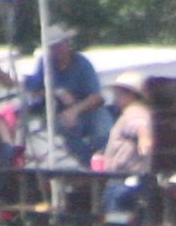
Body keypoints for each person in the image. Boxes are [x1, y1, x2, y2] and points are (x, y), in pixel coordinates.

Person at [24, 23, 113, 166]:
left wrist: (74, 110)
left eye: (59, 45)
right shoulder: (45, 63)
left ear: (67, 43)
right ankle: (88, 166)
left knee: (103, 133)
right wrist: (56, 92)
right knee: (65, 128)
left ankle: (107, 164)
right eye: (52, 47)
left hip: (90, 109)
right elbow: (35, 90)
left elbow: (96, 97)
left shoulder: (82, 63)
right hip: (61, 112)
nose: (57, 50)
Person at [101, 71, 155, 218]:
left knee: (115, 221)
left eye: (118, 93)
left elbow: (139, 125)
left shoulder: (134, 111)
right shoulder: (132, 112)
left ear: (129, 94)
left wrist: (144, 138)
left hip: (125, 179)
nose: (115, 98)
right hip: (125, 178)